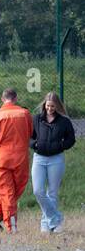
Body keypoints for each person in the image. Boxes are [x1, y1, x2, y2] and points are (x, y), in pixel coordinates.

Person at [0, 88, 33, 233]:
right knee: (13, 194)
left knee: (7, 195)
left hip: (3, 159)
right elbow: (29, 133)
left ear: (2, 99)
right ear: (16, 98)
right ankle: (11, 226)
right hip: (21, 159)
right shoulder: (25, 113)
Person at [30, 91, 75, 233]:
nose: (50, 109)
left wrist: (60, 146)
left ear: (57, 106)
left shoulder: (64, 121)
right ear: (44, 105)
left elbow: (71, 139)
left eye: (53, 106)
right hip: (39, 158)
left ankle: (47, 225)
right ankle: (56, 219)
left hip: (56, 159)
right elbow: (29, 137)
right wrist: (34, 145)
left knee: (52, 193)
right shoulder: (36, 119)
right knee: (38, 191)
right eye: (48, 106)